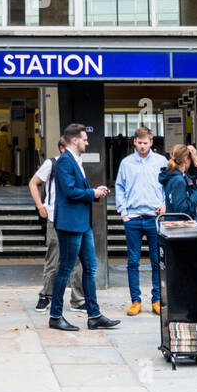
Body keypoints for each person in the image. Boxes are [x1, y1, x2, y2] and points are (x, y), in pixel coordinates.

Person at [48, 123, 120, 332]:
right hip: (70, 224)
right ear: (74, 140)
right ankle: (55, 316)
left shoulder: (75, 161)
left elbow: (76, 189)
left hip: (81, 223)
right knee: (65, 269)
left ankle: (94, 315)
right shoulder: (64, 162)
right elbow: (70, 192)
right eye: (84, 139)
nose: (87, 142)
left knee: (90, 268)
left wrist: (94, 191)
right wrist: (93, 194)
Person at [27, 137, 86, 312]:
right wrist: (40, 206)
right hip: (55, 217)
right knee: (53, 258)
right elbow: (33, 183)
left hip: (73, 218)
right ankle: (46, 295)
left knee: (77, 260)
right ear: (62, 148)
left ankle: (78, 299)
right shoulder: (51, 164)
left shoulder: (78, 164)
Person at [114, 125, 167, 316]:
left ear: (151, 142)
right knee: (133, 261)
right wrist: (123, 212)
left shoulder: (161, 161)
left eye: (146, 143)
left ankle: (157, 299)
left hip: (154, 217)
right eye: (140, 143)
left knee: (156, 261)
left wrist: (164, 204)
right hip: (133, 218)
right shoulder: (127, 163)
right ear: (134, 142)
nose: (143, 146)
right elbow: (119, 186)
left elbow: (166, 186)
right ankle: (135, 301)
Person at [160, 143, 197, 220]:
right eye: (191, 158)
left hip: (174, 225)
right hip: (181, 227)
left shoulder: (171, 176)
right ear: (186, 159)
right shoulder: (179, 180)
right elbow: (181, 209)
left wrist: (195, 159)